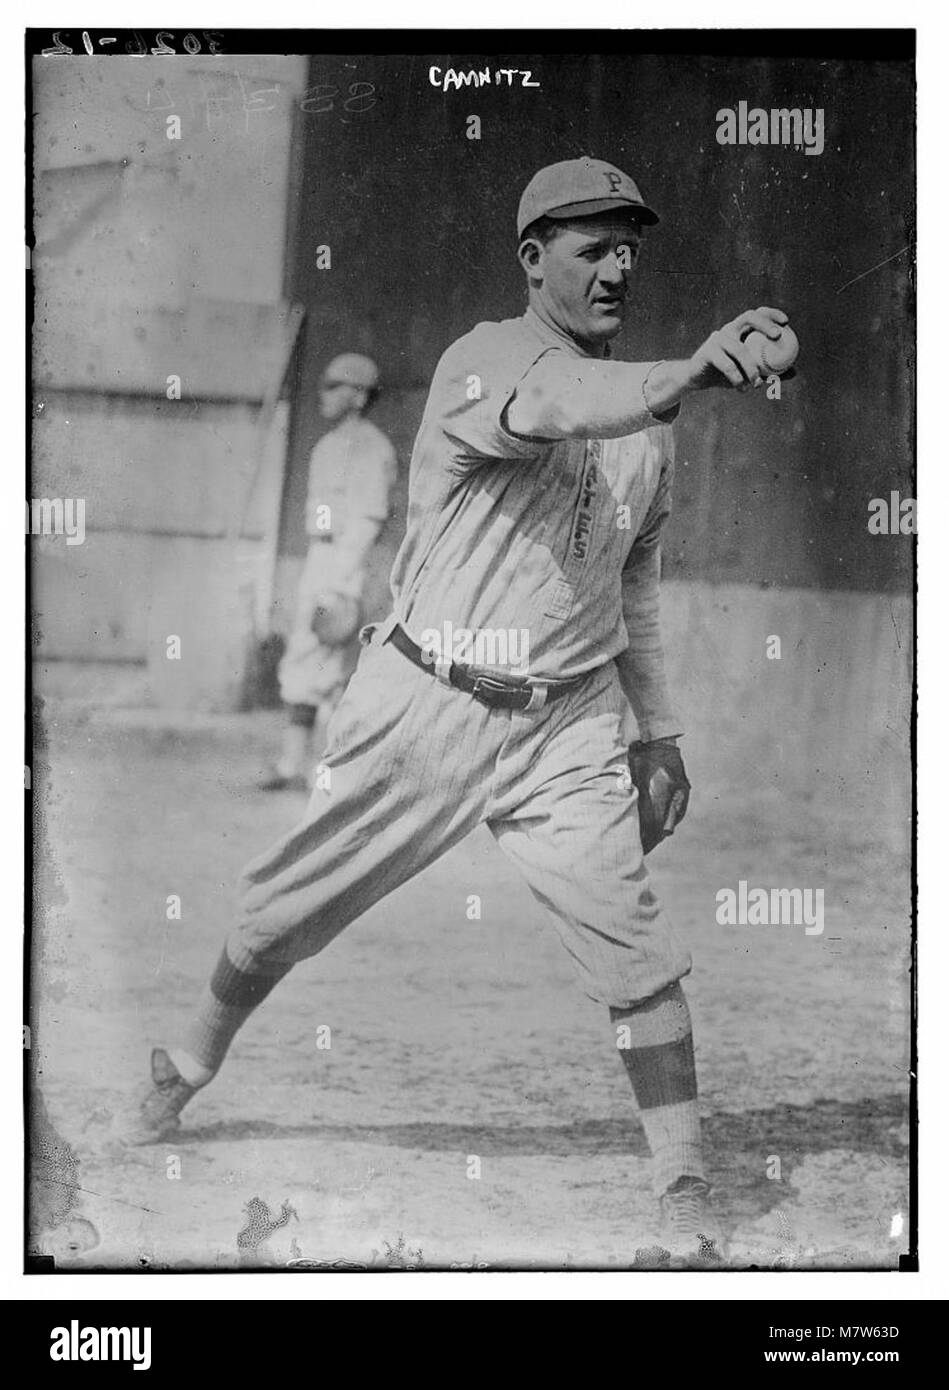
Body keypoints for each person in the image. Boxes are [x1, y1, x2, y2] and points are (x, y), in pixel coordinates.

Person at [130, 156, 790, 1267]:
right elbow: (559, 402)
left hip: (568, 721)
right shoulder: (485, 361)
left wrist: (660, 729)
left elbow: (632, 579)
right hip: (423, 704)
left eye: (629, 245)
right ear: (533, 260)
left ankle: (680, 1177)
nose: (617, 265)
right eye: (592, 246)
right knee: (280, 914)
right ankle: (188, 1062)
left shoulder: (650, 412)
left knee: (636, 946)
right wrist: (694, 368)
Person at [260, 352, 397, 791]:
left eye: (333, 386)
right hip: (321, 559)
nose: (323, 394)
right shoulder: (327, 445)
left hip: (349, 564)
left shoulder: (373, 449)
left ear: (358, 396)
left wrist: (340, 584)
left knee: (337, 667)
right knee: (303, 659)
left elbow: (366, 521)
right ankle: (291, 765)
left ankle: (333, 772)